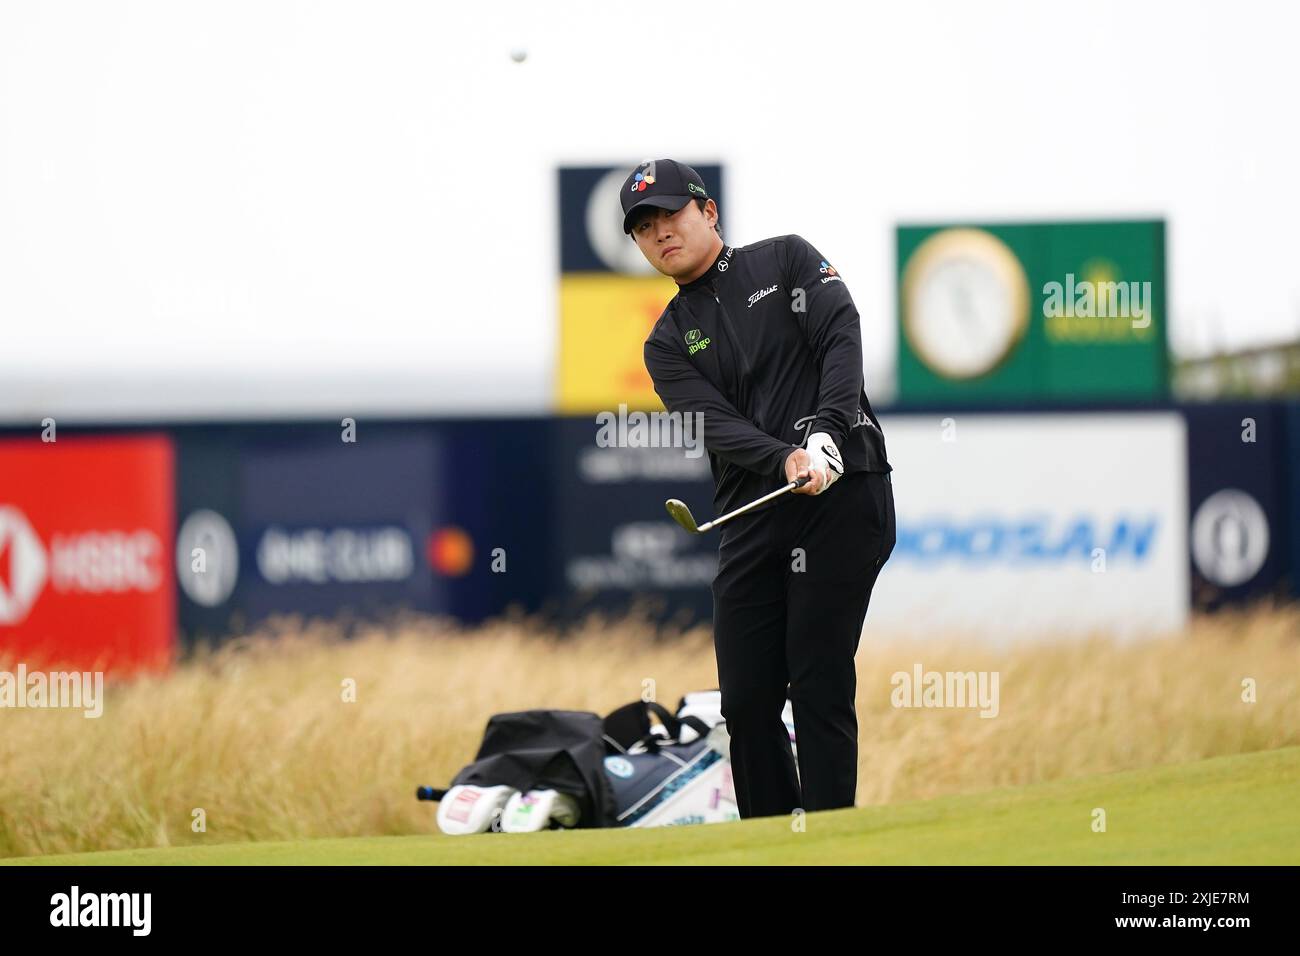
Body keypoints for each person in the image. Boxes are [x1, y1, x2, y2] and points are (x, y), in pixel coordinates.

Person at [622, 158, 896, 818]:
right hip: (755, 510)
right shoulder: (666, 342)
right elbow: (713, 425)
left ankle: (830, 839)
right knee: (745, 699)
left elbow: (840, 335)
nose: (660, 234)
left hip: (844, 493)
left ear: (708, 211)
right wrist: (784, 459)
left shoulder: (786, 262)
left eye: (671, 216)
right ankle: (774, 842)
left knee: (818, 677)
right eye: (644, 227)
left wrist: (829, 431)